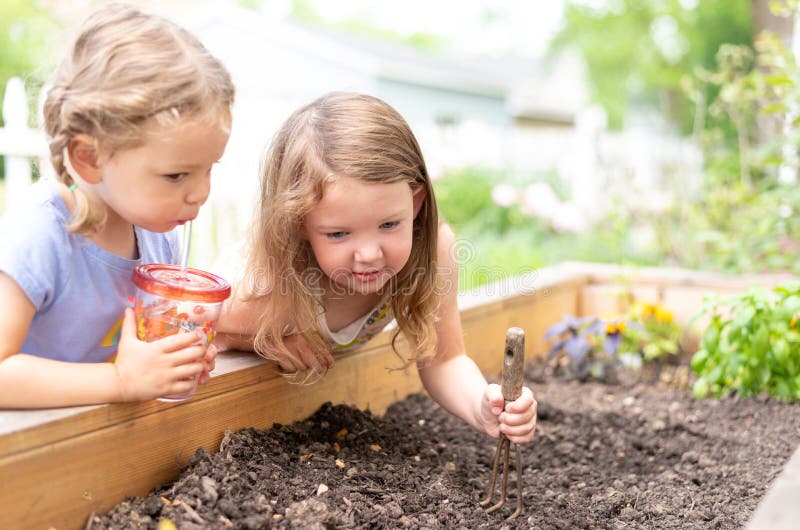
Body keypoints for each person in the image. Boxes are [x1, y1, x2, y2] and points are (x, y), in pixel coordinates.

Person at [216, 92, 536, 444]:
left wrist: (482, 406)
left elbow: (445, 358)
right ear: (299, 225)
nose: (368, 254)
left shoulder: (433, 253)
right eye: (338, 233)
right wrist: (256, 340)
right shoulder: (268, 286)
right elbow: (188, 321)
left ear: (415, 204)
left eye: (389, 225)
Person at [0, 4, 235, 408]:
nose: (200, 194)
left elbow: (136, 353)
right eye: (176, 176)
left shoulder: (156, 234)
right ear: (90, 158)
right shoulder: (38, 236)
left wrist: (172, 359)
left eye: (209, 169)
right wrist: (122, 380)